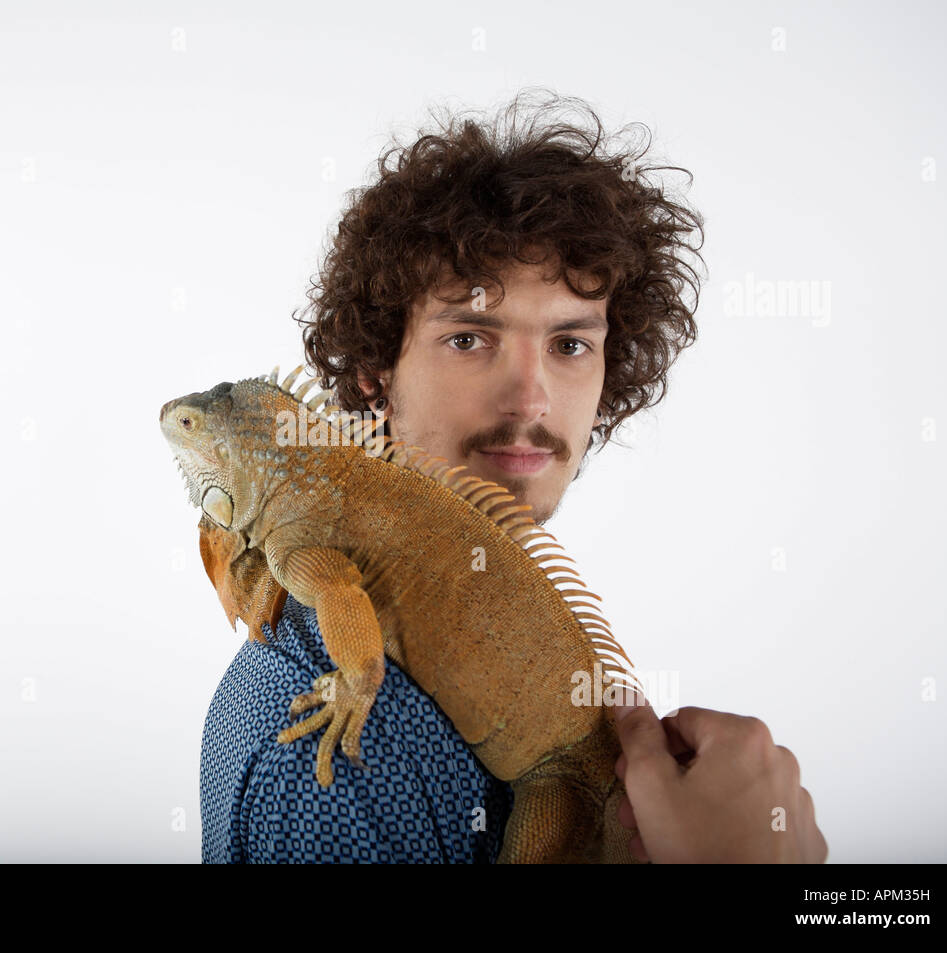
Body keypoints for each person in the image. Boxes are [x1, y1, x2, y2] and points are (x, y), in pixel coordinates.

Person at [200, 88, 826, 863]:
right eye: (469, 337)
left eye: (570, 345)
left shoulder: (504, 638)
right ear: (372, 376)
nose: (531, 399)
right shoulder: (337, 759)